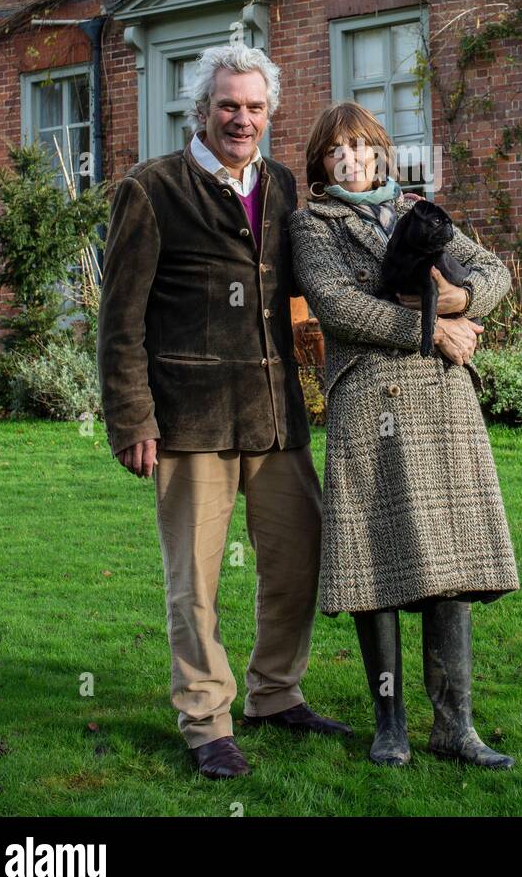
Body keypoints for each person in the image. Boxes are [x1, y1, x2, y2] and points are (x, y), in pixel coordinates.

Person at [96, 43, 351, 780]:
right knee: (195, 583)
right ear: (201, 112)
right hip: (191, 421)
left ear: (270, 114)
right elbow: (120, 321)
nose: (243, 119)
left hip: (276, 419)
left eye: (256, 107)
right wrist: (132, 419)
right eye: (229, 106)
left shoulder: (278, 183)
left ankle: (275, 693)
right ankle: (207, 721)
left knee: (299, 559)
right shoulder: (152, 189)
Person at [288, 101, 520, 769]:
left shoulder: (419, 211)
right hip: (368, 398)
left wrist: (456, 301)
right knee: (376, 562)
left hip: (443, 403)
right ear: (321, 165)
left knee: (450, 562)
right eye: (336, 151)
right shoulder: (313, 224)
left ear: (382, 153)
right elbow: (337, 305)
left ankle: (456, 726)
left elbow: (497, 272)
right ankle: (390, 725)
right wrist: (431, 329)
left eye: (362, 147)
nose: (352, 160)